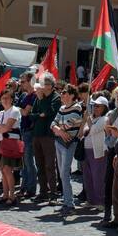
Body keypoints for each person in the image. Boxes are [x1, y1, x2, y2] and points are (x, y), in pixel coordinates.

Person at [50, 83, 85, 216]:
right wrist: (59, 130)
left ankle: (69, 204)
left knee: (64, 173)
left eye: (64, 92)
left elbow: (67, 125)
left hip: (69, 144)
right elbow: (53, 124)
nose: (61, 94)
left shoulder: (77, 108)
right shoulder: (62, 107)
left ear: (71, 95)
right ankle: (66, 201)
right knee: (62, 172)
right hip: (59, 142)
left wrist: (58, 129)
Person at [0, 88, 24, 205]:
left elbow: (6, 128)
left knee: (8, 170)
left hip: (9, 142)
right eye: (3, 98)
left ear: (12, 99)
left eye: (7, 98)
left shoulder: (15, 111)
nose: (4, 100)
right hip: (0, 141)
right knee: (2, 170)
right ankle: (5, 194)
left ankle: (12, 196)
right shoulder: (2, 113)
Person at [30, 74, 62, 202]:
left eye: (48, 83)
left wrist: (42, 110)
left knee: (50, 165)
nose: (45, 86)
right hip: (37, 134)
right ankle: (43, 191)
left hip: (48, 136)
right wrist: (40, 115)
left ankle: (53, 193)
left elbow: (50, 112)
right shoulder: (39, 97)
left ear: (52, 85)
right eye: (44, 83)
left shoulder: (55, 98)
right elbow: (32, 115)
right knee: (39, 164)